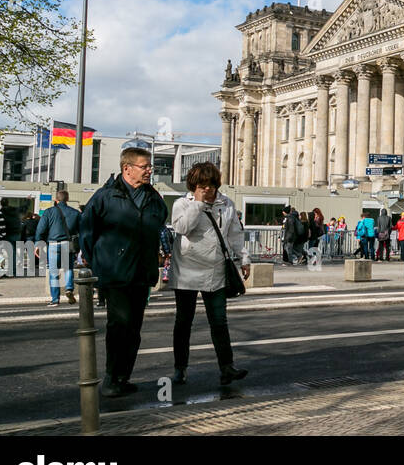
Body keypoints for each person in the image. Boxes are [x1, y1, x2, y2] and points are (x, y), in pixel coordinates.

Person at [79, 147, 169, 398]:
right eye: (145, 166)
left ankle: (123, 377)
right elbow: (87, 232)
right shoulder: (106, 196)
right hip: (115, 273)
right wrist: (101, 263)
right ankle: (111, 377)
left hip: (141, 272)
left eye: (150, 166)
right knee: (119, 325)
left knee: (134, 328)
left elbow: (159, 222)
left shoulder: (154, 198)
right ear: (126, 168)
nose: (150, 170)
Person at [169, 161, 249, 386]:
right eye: (202, 185)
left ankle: (227, 367)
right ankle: (180, 368)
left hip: (215, 270)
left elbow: (235, 234)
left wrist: (244, 258)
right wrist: (197, 205)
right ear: (194, 186)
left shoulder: (227, 204)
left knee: (219, 322)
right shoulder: (182, 204)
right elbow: (183, 228)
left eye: (211, 185)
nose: (208, 190)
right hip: (187, 270)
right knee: (184, 322)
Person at [35, 191, 81, 305]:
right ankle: (69, 288)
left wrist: (38, 244)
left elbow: (41, 229)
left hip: (53, 244)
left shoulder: (49, 212)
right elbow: (82, 231)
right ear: (67, 199)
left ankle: (55, 299)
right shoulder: (75, 213)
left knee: (53, 271)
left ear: (56, 200)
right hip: (67, 244)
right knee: (68, 268)